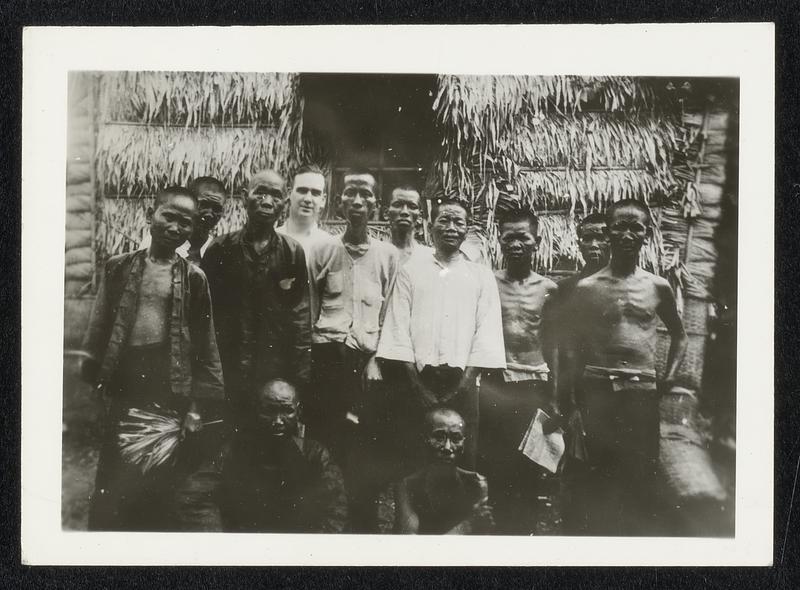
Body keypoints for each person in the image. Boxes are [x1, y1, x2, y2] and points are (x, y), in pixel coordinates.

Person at [81, 186, 225, 531]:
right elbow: (99, 329)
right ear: (150, 217)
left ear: (194, 229)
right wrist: (93, 385)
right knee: (116, 472)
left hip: (168, 386)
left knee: (159, 473)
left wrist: (195, 407)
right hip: (125, 383)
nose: (175, 227)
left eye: (185, 222)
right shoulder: (119, 267)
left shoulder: (194, 278)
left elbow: (206, 346)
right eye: (168, 217)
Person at [560, 198, 688, 536]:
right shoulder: (587, 289)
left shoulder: (657, 286)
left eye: (636, 227)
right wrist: (573, 402)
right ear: (608, 232)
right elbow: (572, 347)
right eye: (620, 226)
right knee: (596, 476)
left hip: (641, 395)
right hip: (597, 394)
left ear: (647, 234)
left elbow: (680, 335)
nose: (628, 234)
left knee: (638, 475)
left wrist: (668, 377)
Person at [377, 199, 506, 470]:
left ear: (467, 228)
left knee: (463, 457)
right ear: (429, 226)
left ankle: (461, 512)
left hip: (464, 381)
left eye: (458, 222)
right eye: (444, 220)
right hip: (418, 381)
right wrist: (417, 386)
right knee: (415, 457)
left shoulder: (481, 276)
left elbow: (486, 334)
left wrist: (464, 385)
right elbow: (398, 331)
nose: (451, 227)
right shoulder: (410, 273)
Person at [305, 168, 399, 531]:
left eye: (365, 195)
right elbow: (312, 309)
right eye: (350, 194)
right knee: (326, 444)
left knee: (365, 449)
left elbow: (390, 311)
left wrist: (376, 358)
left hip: (369, 365)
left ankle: (363, 528)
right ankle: (323, 524)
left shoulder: (387, 256)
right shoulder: (322, 250)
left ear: (376, 203)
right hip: (328, 359)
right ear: (339, 201)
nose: (357, 202)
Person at [202, 170, 311, 425]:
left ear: (284, 204)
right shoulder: (220, 248)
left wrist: (298, 378)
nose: (266, 200)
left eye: (275, 195)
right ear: (244, 197)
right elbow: (204, 314)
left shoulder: (292, 252)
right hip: (227, 366)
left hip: (274, 369)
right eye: (260, 192)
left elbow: (300, 317)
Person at [479, 206, 559, 535]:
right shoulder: (487, 283)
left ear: (536, 242)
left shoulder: (550, 288)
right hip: (497, 384)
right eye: (508, 237)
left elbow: (554, 345)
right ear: (498, 240)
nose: (515, 244)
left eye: (522, 237)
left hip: (534, 386)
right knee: (496, 463)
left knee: (530, 465)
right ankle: (500, 533)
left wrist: (554, 395)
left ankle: (524, 532)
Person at [219, 379, 348, 533]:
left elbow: (335, 511)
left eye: (287, 411)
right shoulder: (234, 450)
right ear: (257, 410)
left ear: (298, 412)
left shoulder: (316, 454)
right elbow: (198, 499)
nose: (278, 421)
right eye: (269, 411)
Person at [394, 408, 494, 534]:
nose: (447, 447)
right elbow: (412, 543)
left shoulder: (476, 483)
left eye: (456, 438)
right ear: (425, 440)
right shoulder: (408, 485)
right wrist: (468, 524)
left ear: (463, 444)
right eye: (439, 437)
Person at [139, 176, 228, 264]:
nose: (209, 214)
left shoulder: (217, 250)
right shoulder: (156, 243)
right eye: (203, 205)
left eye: (217, 209)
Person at [276, 163, 331, 252]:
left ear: (323, 200)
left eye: (315, 193)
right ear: (289, 194)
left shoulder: (329, 245)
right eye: (302, 191)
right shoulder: (272, 239)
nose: (308, 199)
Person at [386, 184, 432, 264]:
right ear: (386, 213)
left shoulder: (429, 256)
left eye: (412, 206)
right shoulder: (376, 254)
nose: (405, 212)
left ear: (420, 217)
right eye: (398, 205)